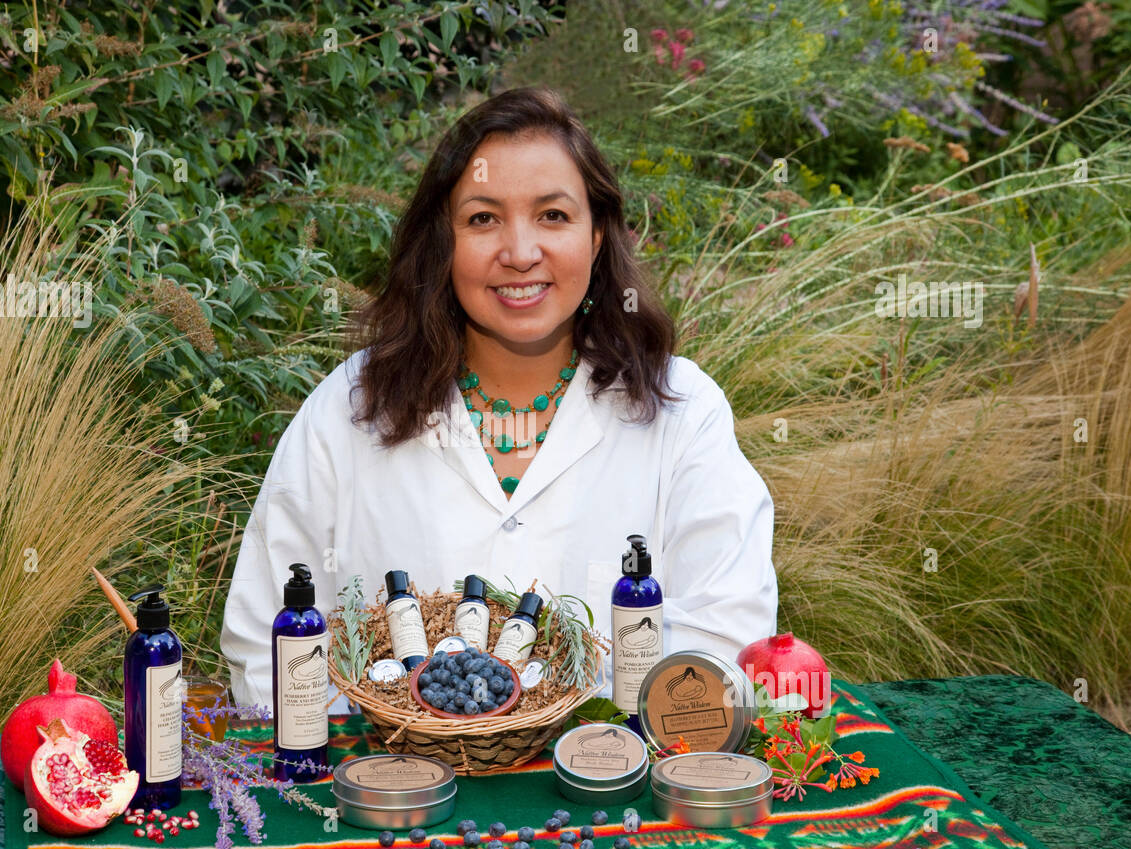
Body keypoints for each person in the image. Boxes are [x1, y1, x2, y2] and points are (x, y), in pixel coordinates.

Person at [221, 87, 777, 714]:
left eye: (553, 216)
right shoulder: (348, 411)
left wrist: (561, 722)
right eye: (483, 218)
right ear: (442, 242)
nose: (519, 252)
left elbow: (725, 639)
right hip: (394, 793)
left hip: (615, 790)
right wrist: (406, 741)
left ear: (597, 237)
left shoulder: (683, 412)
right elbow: (266, 649)